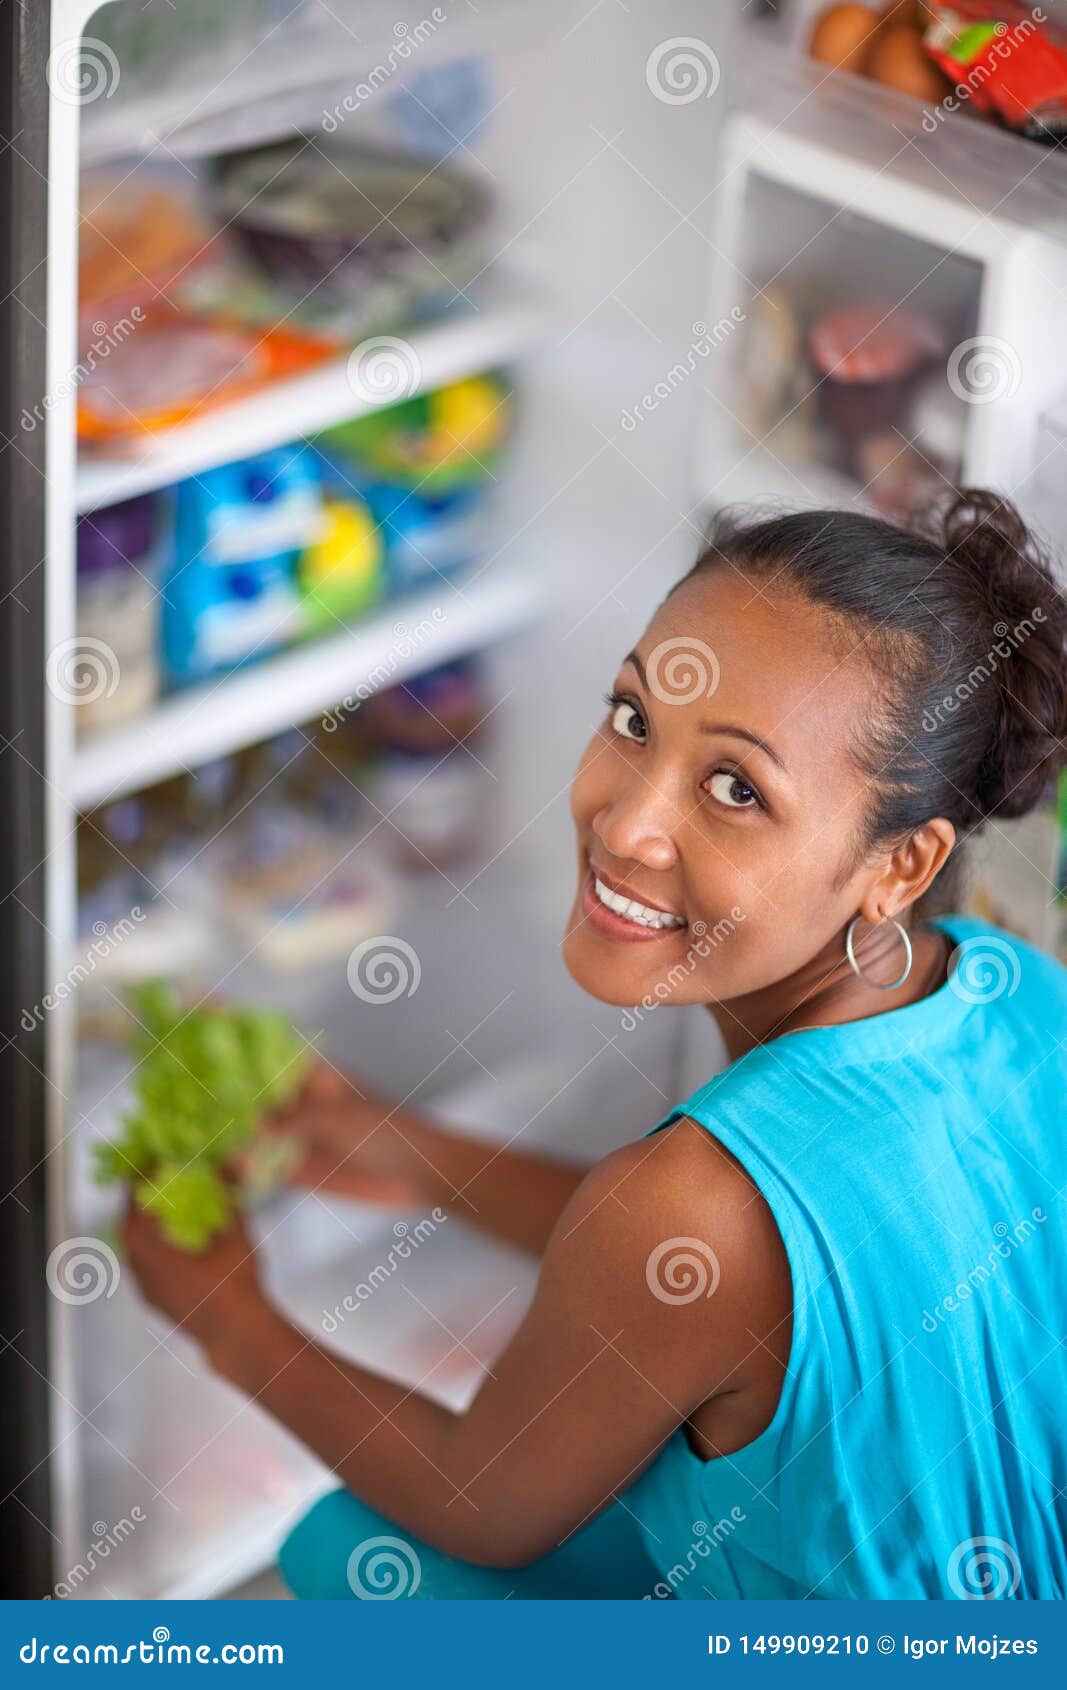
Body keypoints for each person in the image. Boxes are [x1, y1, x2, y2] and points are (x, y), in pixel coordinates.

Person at [125, 490, 1067, 1600]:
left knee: (349, 1553)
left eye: (734, 788)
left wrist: (222, 1314)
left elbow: (480, 1501)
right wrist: (399, 1150)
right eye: (633, 719)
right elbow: (712, 1284)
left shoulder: (686, 1210)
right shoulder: (1012, 992)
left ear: (899, 864)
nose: (623, 825)